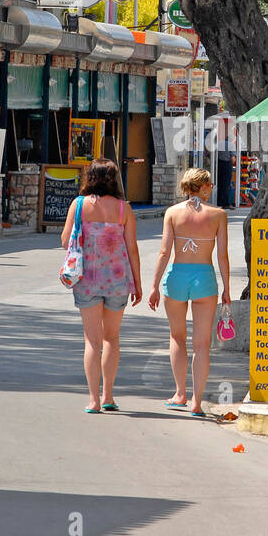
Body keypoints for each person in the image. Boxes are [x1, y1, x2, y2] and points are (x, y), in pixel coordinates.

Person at [148, 168, 230, 418]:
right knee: (202, 344)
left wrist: (154, 285)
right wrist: (226, 287)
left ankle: (180, 393)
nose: (212, 187)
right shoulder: (218, 215)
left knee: (177, 337)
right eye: (210, 184)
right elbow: (222, 255)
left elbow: (164, 252)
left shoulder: (172, 213)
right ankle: (196, 402)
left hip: (177, 276)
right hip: (204, 277)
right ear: (203, 186)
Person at [62, 159, 142, 414]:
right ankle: (108, 395)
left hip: (86, 280)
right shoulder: (124, 210)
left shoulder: (79, 205)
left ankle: (93, 400)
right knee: (112, 338)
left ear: (90, 177)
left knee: (91, 341)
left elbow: (65, 241)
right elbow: (132, 249)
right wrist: (137, 283)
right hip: (118, 281)